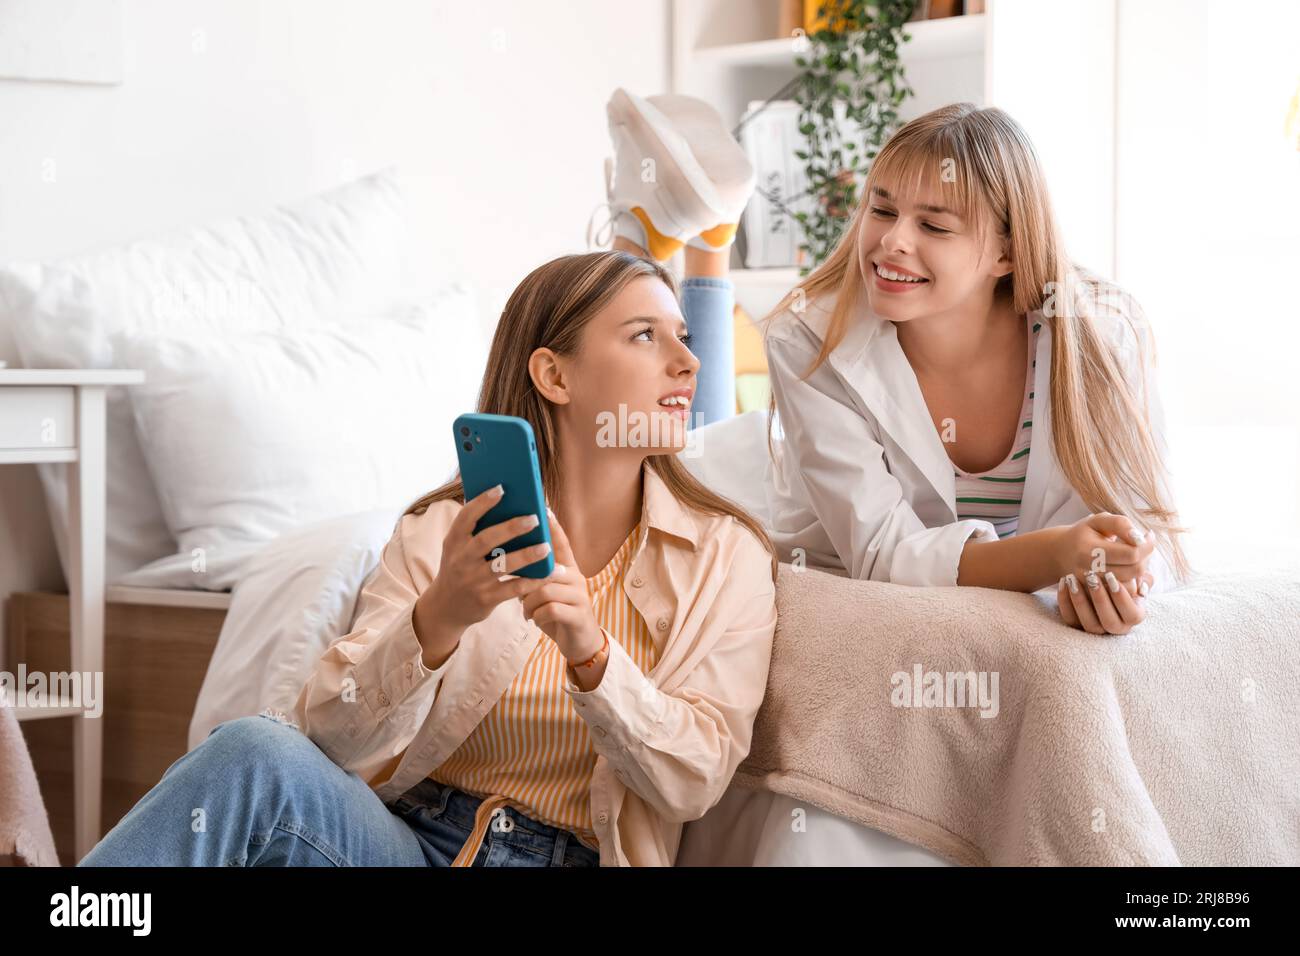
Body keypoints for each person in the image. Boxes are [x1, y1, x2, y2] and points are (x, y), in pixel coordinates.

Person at [79, 91, 777, 867]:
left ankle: (680, 232)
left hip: (569, 857)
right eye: (646, 337)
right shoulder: (440, 535)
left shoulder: (727, 555)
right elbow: (328, 734)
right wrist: (436, 618)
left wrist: (592, 655)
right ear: (553, 374)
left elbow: (696, 778)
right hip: (408, 844)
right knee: (254, 750)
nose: (688, 363)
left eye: (683, 337)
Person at [762, 102, 1190, 636]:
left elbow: (1152, 527)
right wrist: (1056, 556)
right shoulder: (806, 336)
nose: (894, 241)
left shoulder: (1102, 332)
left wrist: (1119, 579)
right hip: (845, 582)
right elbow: (881, 555)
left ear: (1006, 255)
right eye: (883, 210)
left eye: (934, 226)